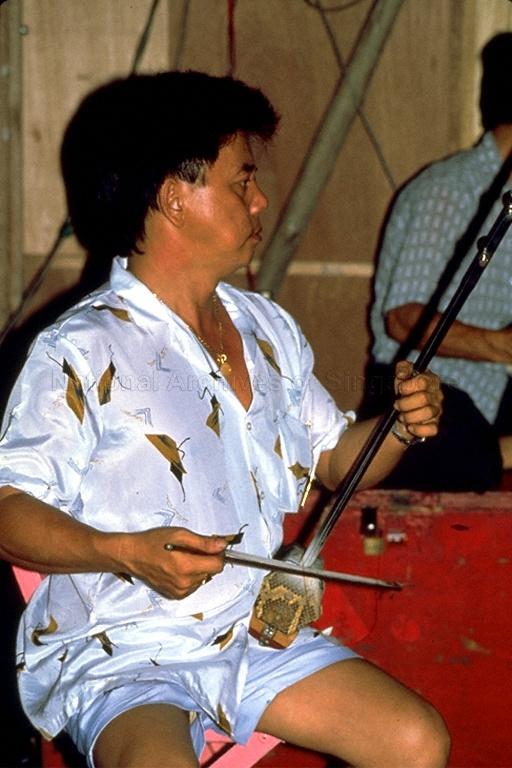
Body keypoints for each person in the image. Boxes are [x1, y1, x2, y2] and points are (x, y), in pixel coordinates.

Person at [0, 71, 448, 768]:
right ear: (175, 197)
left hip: (251, 631)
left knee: (415, 742)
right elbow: (7, 512)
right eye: (242, 180)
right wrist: (128, 552)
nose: (260, 197)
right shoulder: (79, 349)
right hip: (125, 649)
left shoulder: (265, 326)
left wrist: (398, 426)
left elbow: (334, 460)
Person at [362, 32, 512, 492]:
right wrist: (505, 348)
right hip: (413, 391)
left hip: (484, 398)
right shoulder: (450, 191)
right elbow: (403, 320)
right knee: (462, 456)